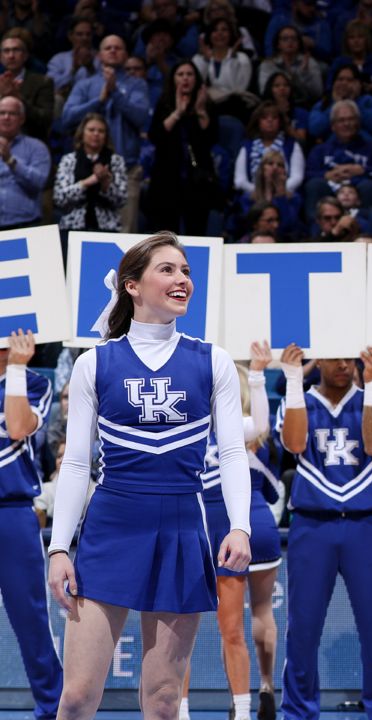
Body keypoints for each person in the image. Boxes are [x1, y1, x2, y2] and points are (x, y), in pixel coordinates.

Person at [47, 234, 252, 719]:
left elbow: (233, 451)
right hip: (112, 525)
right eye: (168, 270)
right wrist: (59, 548)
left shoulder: (213, 360)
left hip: (182, 524)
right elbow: (77, 463)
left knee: (162, 701)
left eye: (185, 271)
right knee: (77, 696)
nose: (182, 280)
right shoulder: (94, 363)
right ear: (132, 286)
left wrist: (239, 525)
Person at [277, 346, 372, 720]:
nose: (344, 364)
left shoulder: (369, 397)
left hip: (366, 523)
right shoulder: (299, 397)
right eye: (335, 357)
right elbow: (295, 445)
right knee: (302, 628)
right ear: (319, 359)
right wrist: (293, 379)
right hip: (312, 523)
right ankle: (298, 712)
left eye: (349, 357)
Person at [180, 344, 277, 720]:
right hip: (186, 530)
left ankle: (241, 708)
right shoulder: (178, 424)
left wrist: (256, 374)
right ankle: (179, 710)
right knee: (178, 630)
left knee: (231, 628)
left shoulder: (230, 429)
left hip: (224, 532)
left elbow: (262, 425)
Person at [0, 329, 59, 720]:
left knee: (31, 617)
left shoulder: (36, 382)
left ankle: (53, 708)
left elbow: (19, 428)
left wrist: (18, 369)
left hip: (12, 510)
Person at [61, 35, 150, 233]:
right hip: (85, 170)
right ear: (100, 54)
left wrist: (115, 93)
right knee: (84, 233)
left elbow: (141, 117)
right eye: (108, 47)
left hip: (126, 170)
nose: (112, 51)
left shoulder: (137, 85)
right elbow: (67, 117)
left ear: (126, 55)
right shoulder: (85, 85)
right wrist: (99, 101)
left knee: (126, 236)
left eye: (118, 48)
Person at [146, 61, 217, 235]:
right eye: (180, 74)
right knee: (166, 232)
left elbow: (212, 138)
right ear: (173, 79)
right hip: (167, 179)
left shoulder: (206, 105)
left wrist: (200, 111)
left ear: (196, 79)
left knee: (197, 231)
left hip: (197, 181)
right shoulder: (164, 103)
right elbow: (155, 136)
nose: (185, 78)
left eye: (189, 74)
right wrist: (177, 113)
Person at [54, 112, 127, 231]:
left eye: (101, 131)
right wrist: (89, 181)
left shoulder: (116, 161)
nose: (96, 134)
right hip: (73, 227)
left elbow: (121, 201)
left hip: (107, 228)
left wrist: (105, 184)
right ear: (82, 133)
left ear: (106, 136)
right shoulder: (68, 160)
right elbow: (59, 198)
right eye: (91, 130)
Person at [234, 102, 305, 202]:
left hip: (284, 193)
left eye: (274, 117)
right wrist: (260, 192)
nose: (270, 120)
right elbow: (240, 181)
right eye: (264, 117)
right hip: (253, 195)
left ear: (280, 122)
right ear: (258, 121)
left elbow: (297, 177)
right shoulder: (247, 146)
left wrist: (279, 191)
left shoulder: (292, 145)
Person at [0, 95, 48, 230]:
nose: (6, 117)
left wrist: (11, 161)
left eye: (12, 113)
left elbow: (38, 183)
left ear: (22, 119)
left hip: (25, 226)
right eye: (2, 113)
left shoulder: (37, 147)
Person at [0, 31, 54, 141]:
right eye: (6, 51)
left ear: (25, 56)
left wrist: (18, 98)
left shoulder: (43, 82)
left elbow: (45, 120)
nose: (11, 56)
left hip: (30, 140)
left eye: (16, 50)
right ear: (1, 57)